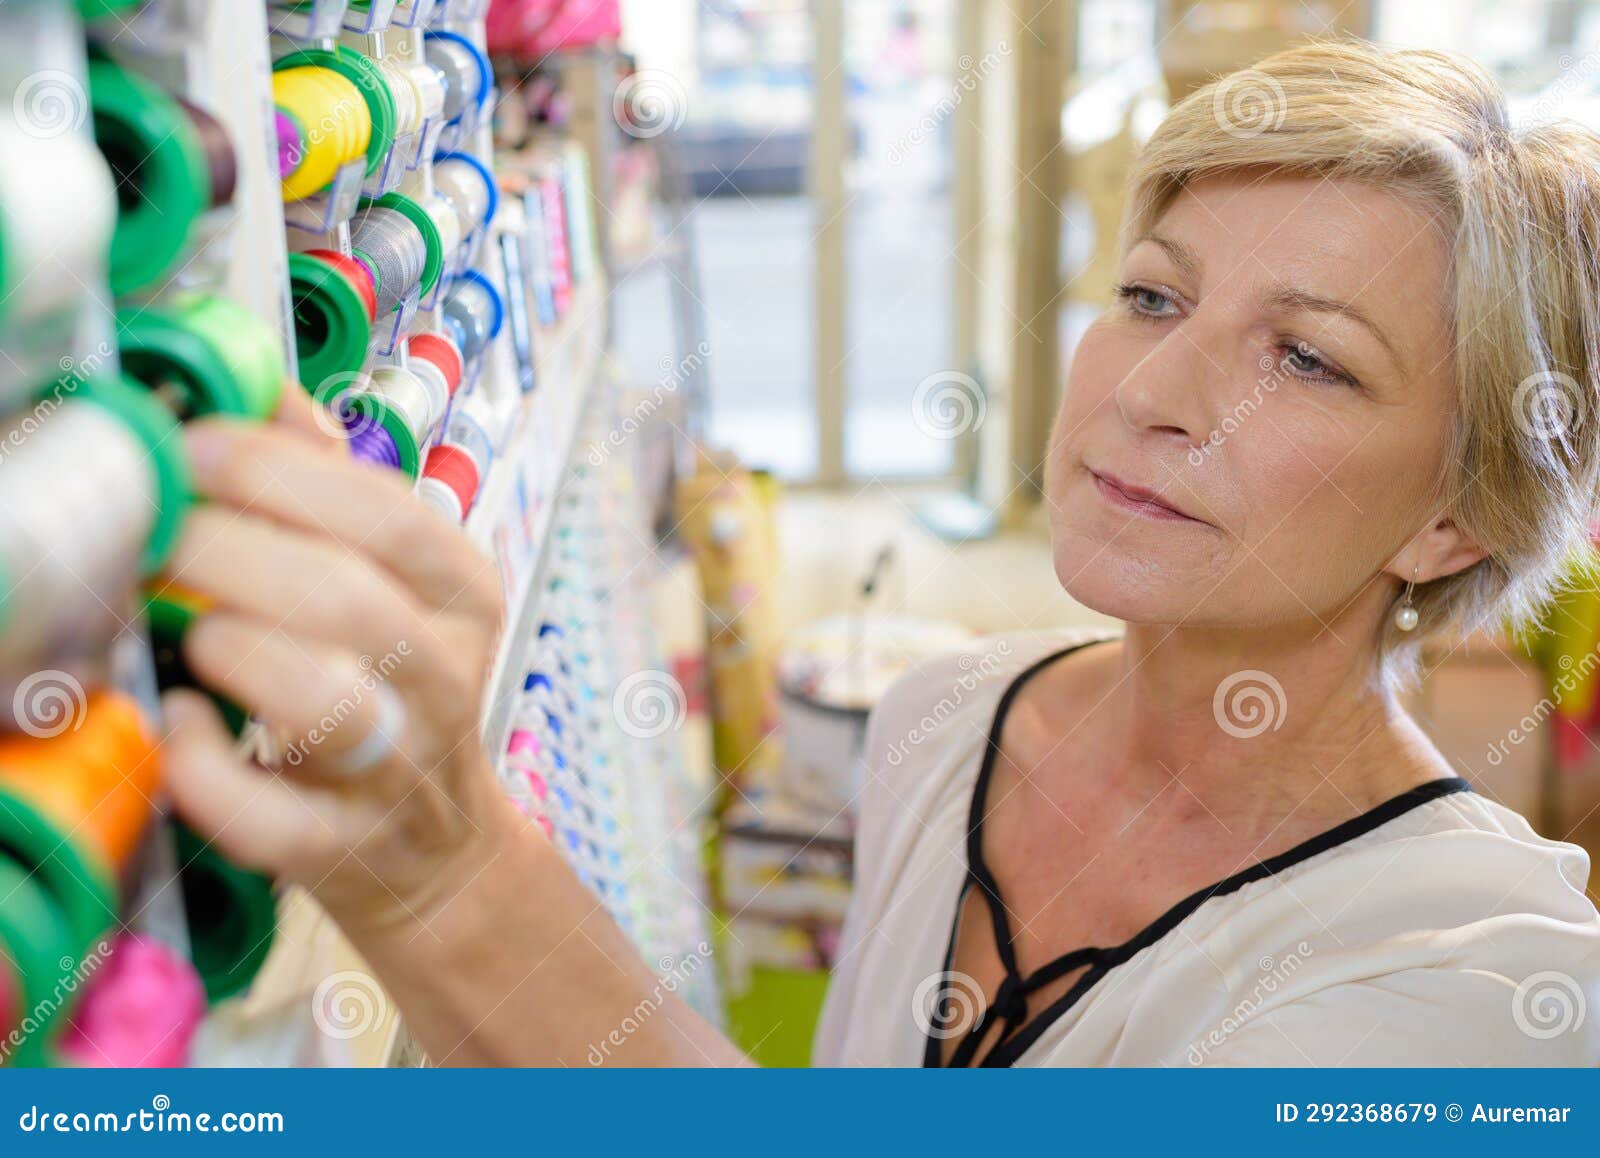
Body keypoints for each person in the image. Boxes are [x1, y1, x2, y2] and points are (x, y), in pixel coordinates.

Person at [163, 39, 1600, 1067]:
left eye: (1306, 357)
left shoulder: (1478, 981)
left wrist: (448, 868)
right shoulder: (948, 715)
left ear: (1457, 513)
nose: (1150, 394)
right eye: (1154, 295)